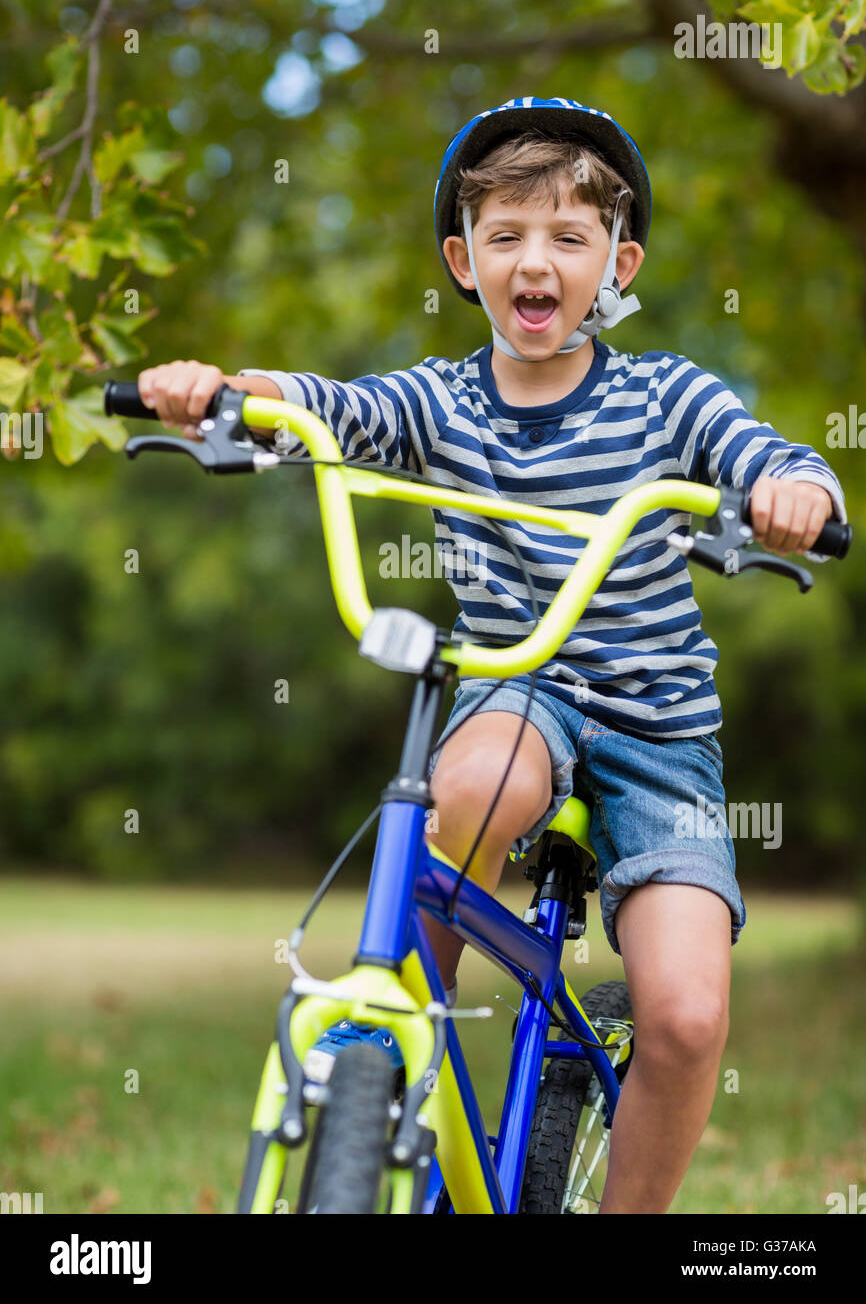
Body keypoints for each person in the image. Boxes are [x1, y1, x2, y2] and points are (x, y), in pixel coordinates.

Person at [136, 96, 845, 1213]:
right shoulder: (442, 401)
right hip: (522, 688)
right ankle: (394, 1040)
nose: (537, 260)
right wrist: (230, 394)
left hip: (659, 729)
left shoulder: (663, 395)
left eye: (569, 237)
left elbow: (766, 449)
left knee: (684, 1015)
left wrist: (791, 491)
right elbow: (331, 408)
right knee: (466, 784)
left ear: (619, 261)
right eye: (507, 235)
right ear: (463, 262)